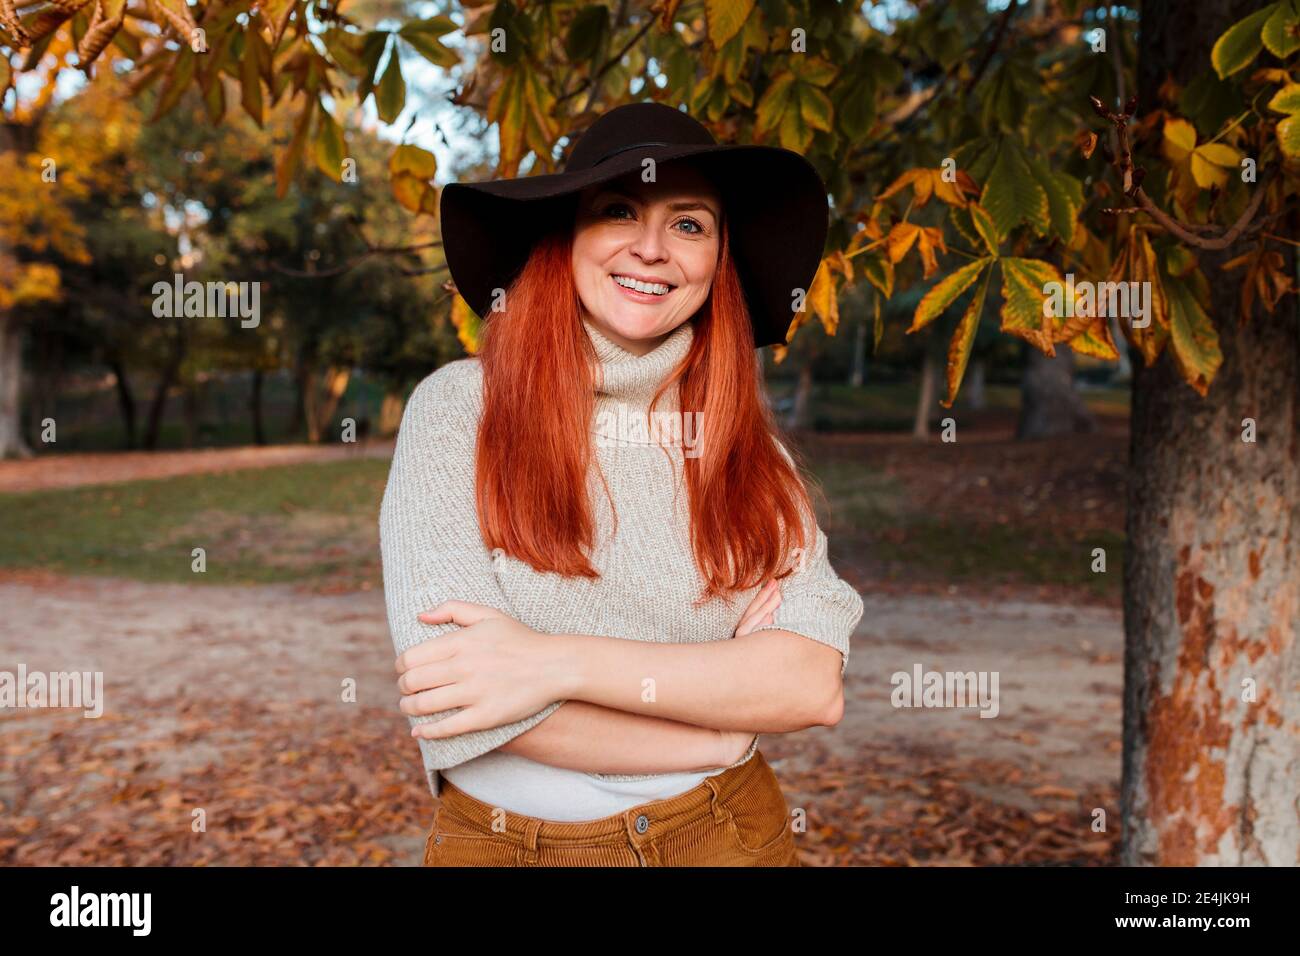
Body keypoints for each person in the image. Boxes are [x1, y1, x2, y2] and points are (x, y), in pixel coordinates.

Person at [379, 101, 864, 866]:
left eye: (689, 223)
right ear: (565, 235)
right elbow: (462, 707)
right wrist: (720, 724)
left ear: (719, 258)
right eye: (618, 211)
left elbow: (808, 685)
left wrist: (551, 663)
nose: (651, 249)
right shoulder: (458, 408)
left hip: (724, 836)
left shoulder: (745, 442)